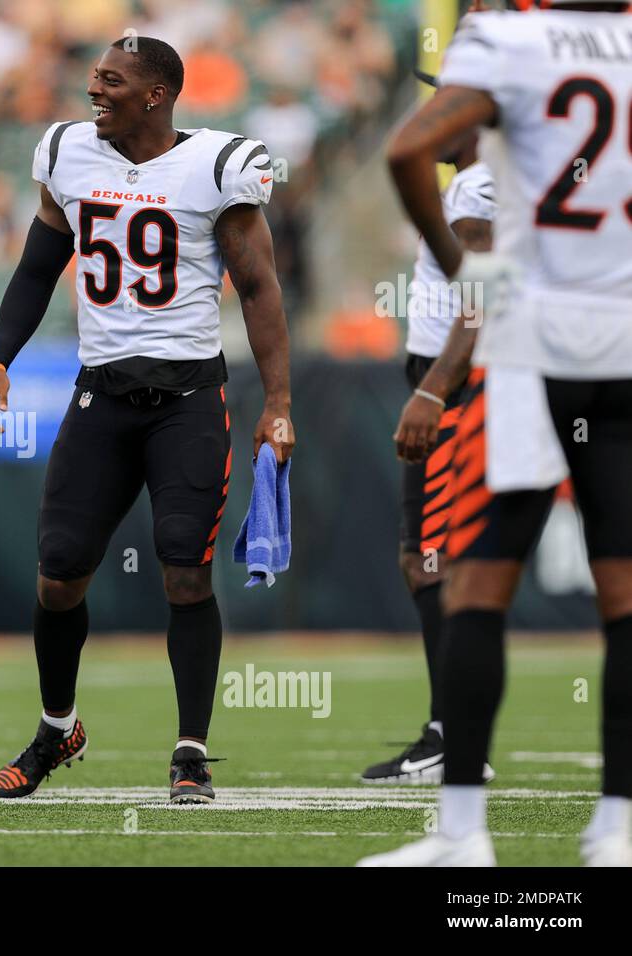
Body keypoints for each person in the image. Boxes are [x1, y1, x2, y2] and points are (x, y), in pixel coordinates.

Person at [0, 36, 294, 805]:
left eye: (111, 82)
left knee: (184, 571)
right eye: (93, 79)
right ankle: (58, 728)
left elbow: (257, 287)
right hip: (101, 397)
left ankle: (189, 752)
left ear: (157, 95)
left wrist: (279, 403)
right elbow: (38, 266)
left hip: (187, 401)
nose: (95, 92)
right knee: (58, 576)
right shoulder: (67, 154)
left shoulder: (217, 166)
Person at [361, 0, 632, 867]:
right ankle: (618, 830)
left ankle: (463, 832)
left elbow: (406, 147)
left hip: (528, 334)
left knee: (476, 586)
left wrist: (465, 276)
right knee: (624, 595)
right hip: (622, 333)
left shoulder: (510, 38)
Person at [363, 89, 496, 786]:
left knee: (436, 561)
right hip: (446, 379)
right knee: (425, 559)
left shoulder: (480, 184)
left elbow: (481, 297)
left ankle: (453, 734)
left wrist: (432, 390)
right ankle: (452, 730)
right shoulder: (468, 181)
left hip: (455, 385)